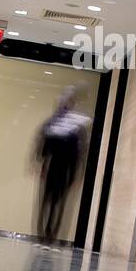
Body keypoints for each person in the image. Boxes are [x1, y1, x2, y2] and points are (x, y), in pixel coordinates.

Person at [33, 88, 89, 246]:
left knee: (57, 204)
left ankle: (50, 238)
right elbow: (43, 142)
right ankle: (43, 236)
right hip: (53, 166)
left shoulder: (76, 127)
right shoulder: (53, 122)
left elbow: (80, 151)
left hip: (66, 168)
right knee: (46, 202)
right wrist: (40, 162)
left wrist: (78, 173)